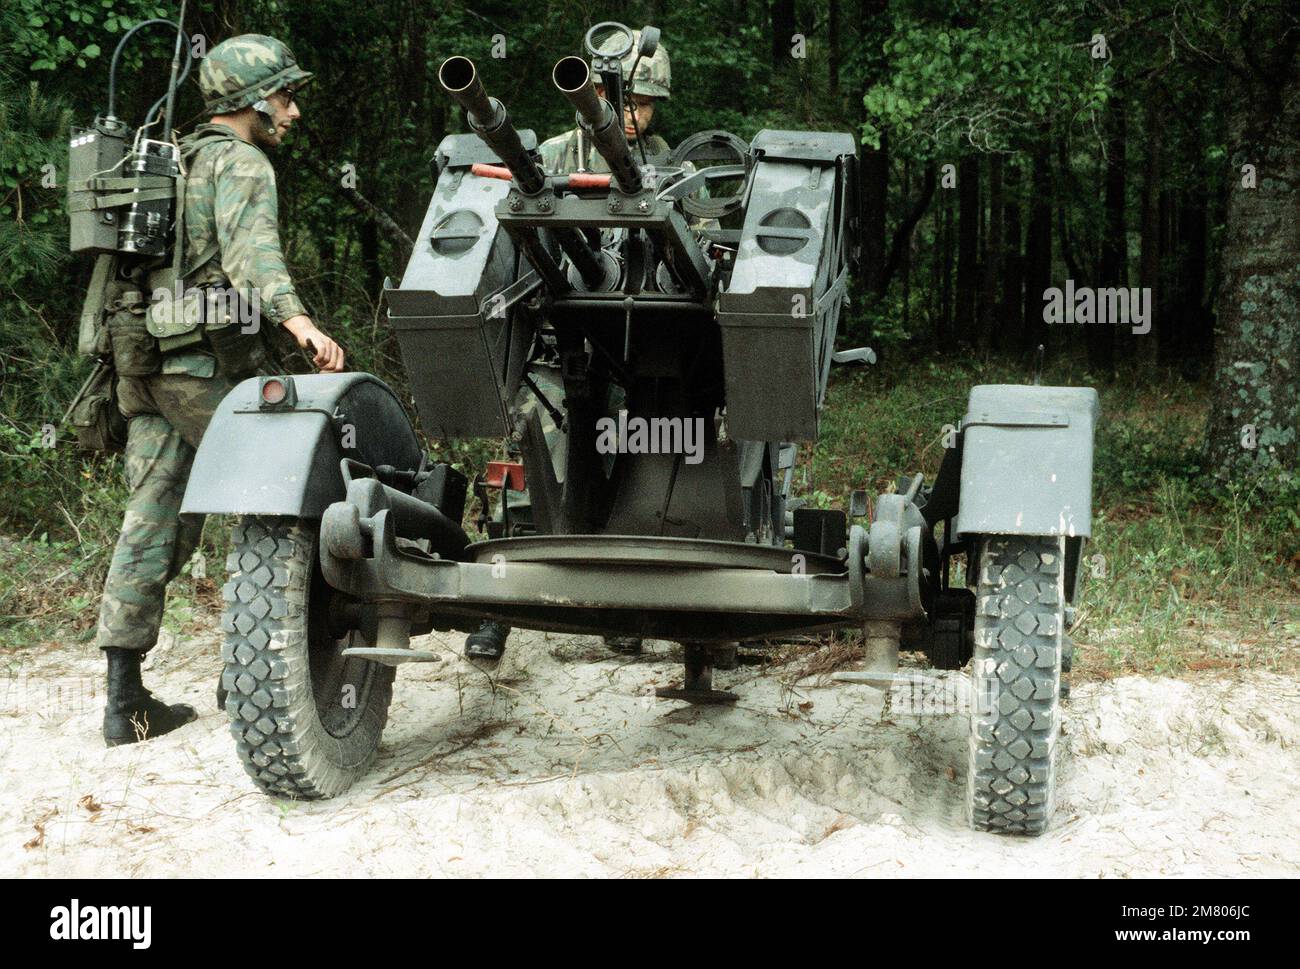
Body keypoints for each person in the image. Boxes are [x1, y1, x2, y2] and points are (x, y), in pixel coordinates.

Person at [98, 34, 345, 746]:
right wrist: (301, 325)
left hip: (147, 366)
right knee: (296, 499)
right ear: (250, 100)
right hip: (207, 370)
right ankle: (254, 676)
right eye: (286, 96)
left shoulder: (170, 158)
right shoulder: (240, 162)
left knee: (150, 519)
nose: (293, 111)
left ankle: (124, 700)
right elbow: (250, 256)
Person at [463, 34, 674, 663]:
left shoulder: (670, 159)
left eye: (647, 104)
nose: (636, 116)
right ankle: (501, 608)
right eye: (627, 101)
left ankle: (621, 606)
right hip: (559, 334)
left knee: (633, 462)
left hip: (639, 342)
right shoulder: (552, 154)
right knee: (535, 467)